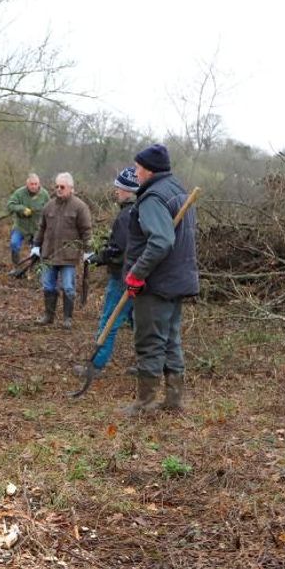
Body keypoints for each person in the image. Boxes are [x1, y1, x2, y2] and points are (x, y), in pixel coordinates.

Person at [121, 144, 199, 416]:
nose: (136, 173)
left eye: (138, 168)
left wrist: (137, 274)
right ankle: (174, 401)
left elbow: (161, 241)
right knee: (170, 340)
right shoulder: (176, 190)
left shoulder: (153, 197)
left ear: (149, 170)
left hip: (156, 283)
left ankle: (145, 404)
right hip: (176, 280)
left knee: (150, 341)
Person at [73, 167, 139, 377]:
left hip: (122, 277)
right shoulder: (142, 211)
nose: (116, 191)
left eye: (119, 188)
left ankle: (96, 365)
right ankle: (147, 364)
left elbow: (117, 250)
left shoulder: (126, 216)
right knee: (137, 320)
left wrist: (96, 258)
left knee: (109, 320)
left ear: (128, 190)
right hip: (139, 276)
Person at [30, 172, 92, 328]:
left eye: (62, 186)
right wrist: (36, 246)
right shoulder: (49, 206)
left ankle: (67, 319)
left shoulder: (80, 206)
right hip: (49, 254)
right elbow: (41, 228)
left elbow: (86, 230)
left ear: (71, 188)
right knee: (48, 286)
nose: (58, 189)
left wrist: (88, 250)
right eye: (56, 186)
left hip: (68, 255)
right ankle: (48, 316)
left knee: (68, 288)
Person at [6, 173, 49, 265]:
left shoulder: (44, 194)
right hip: (21, 226)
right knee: (14, 244)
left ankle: (33, 267)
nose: (34, 186)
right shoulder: (19, 193)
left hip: (37, 228)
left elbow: (50, 209)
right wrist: (22, 209)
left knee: (38, 249)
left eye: (35, 184)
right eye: (31, 184)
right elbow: (10, 205)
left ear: (39, 184)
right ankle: (16, 265)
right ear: (27, 184)